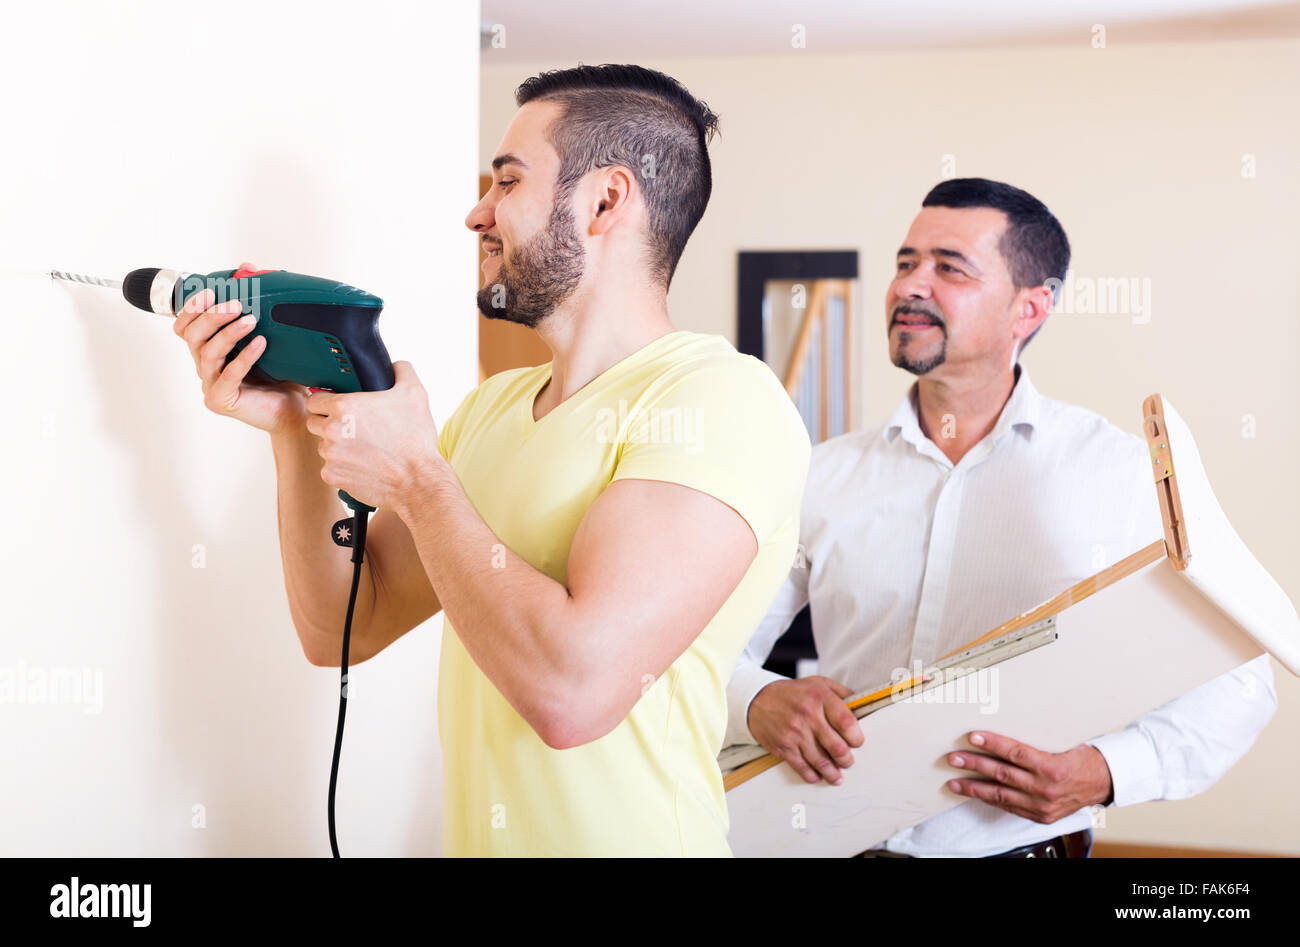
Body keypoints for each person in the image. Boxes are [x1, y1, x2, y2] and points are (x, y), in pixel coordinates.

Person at [173, 64, 810, 856]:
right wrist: (296, 430)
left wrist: (415, 473)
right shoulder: (492, 410)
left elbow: (572, 693)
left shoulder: (721, 401)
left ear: (606, 200)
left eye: (506, 182)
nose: (477, 212)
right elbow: (345, 626)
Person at [725, 178, 1276, 858]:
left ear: (1031, 307)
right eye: (905, 263)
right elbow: (707, 645)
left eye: (948, 267)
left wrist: (1107, 772)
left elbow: (1241, 675)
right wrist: (757, 701)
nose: (910, 286)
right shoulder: (822, 474)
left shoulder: (1120, 471)